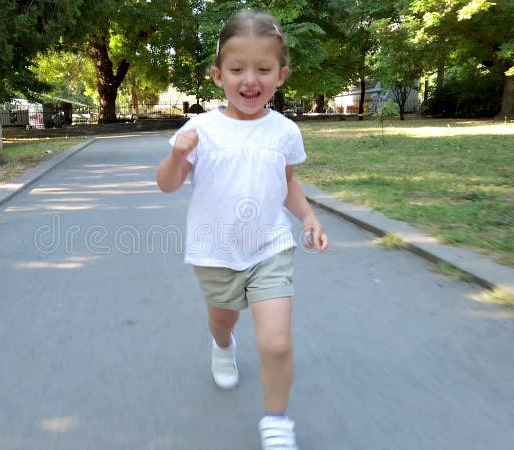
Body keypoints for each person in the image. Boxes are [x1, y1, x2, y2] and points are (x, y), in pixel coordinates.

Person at [156, 9, 329, 450]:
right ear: (217, 75)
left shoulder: (285, 131)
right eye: (237, 69)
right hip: (215, 253)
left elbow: (286, 183)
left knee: (275, 343)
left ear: (281, 75)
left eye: (263, 69)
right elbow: (167, 185)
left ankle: (276, 420)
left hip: (270, 247)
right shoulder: (199, 130)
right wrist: (177, 156)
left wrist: (307, 218)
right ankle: (223, 344)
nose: (249, 79)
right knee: (221, 319)